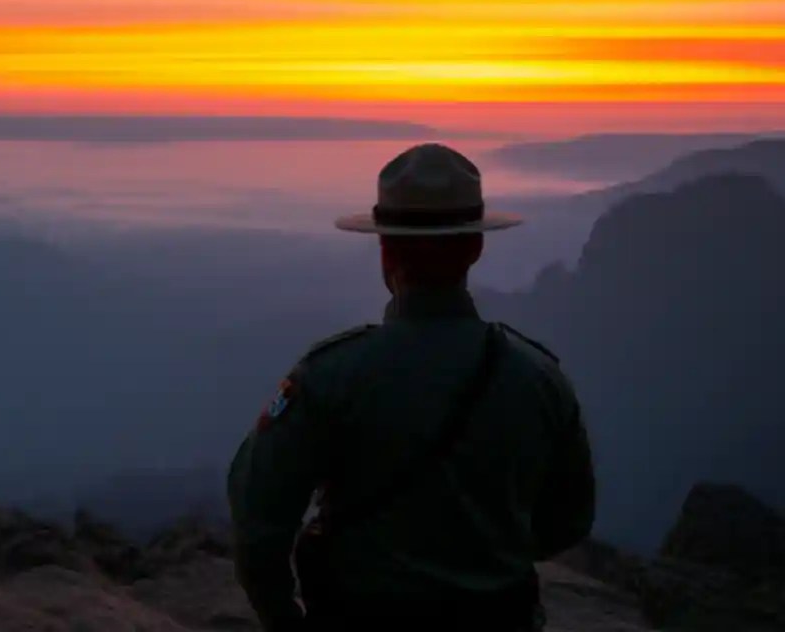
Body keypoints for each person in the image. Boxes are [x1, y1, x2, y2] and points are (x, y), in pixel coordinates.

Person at [227, 143, 595, 631]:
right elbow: (568, 522)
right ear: (476, 246)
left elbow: (258, 517)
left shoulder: (330, 376)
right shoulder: (540, 378)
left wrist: (284, 619)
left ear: (385, 247)